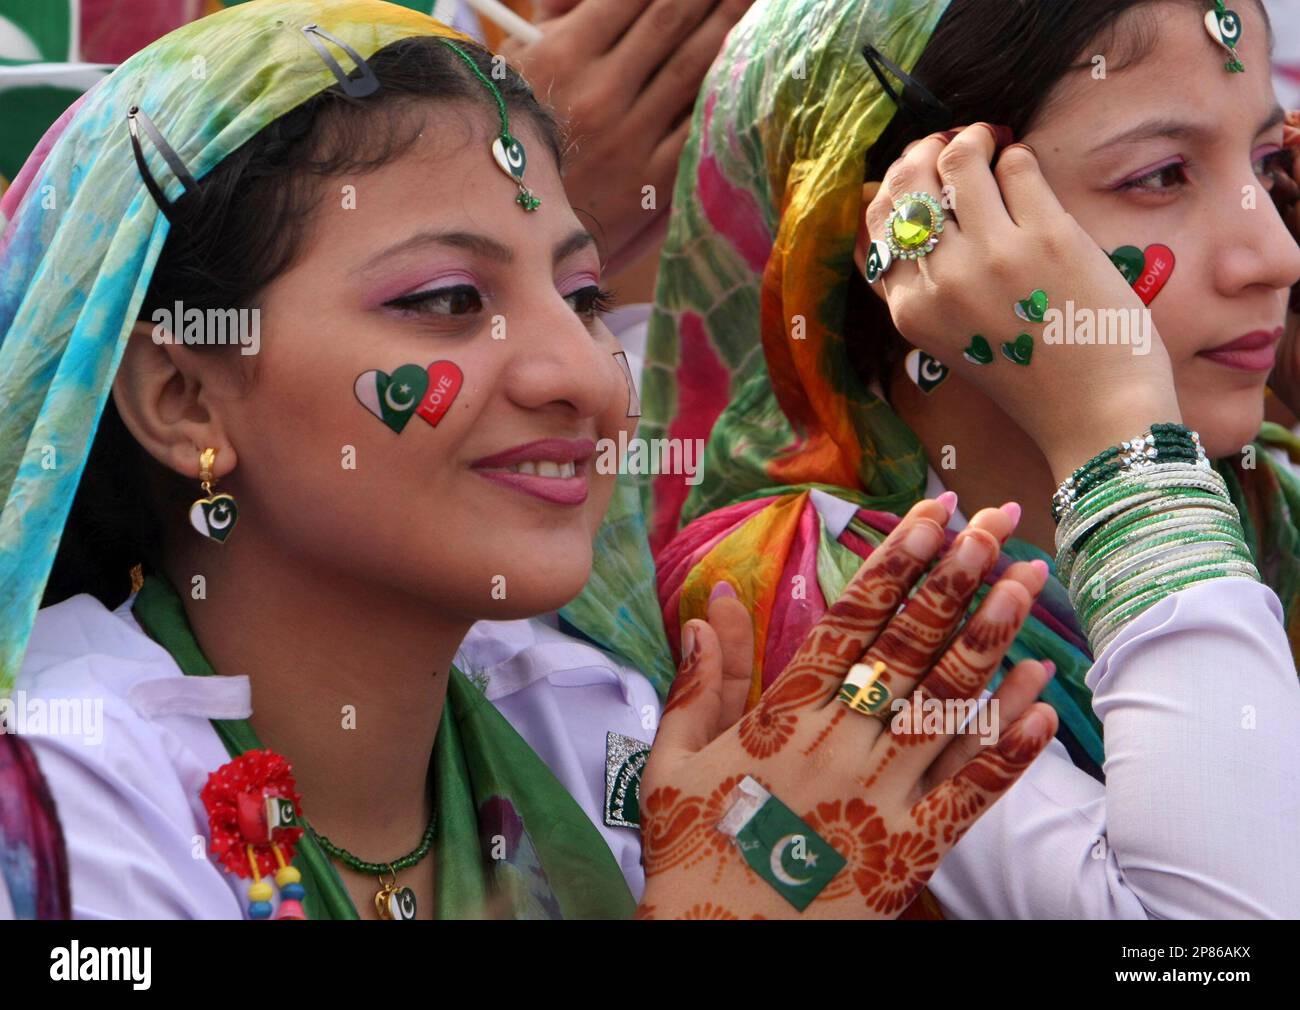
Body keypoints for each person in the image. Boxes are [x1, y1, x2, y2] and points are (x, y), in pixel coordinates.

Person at [0, 0, 1052, 919]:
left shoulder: (590, 724)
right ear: (184, 397)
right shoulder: (65, 789)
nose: (583, 376)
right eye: (447, 300)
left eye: (584, 296)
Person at [635, 0, 1300, 917]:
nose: (1276, 252)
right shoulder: (815, 604)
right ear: (920, 232)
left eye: (1268, 165)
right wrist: (1119, 438)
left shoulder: (1272, 501)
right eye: (1160, 175)